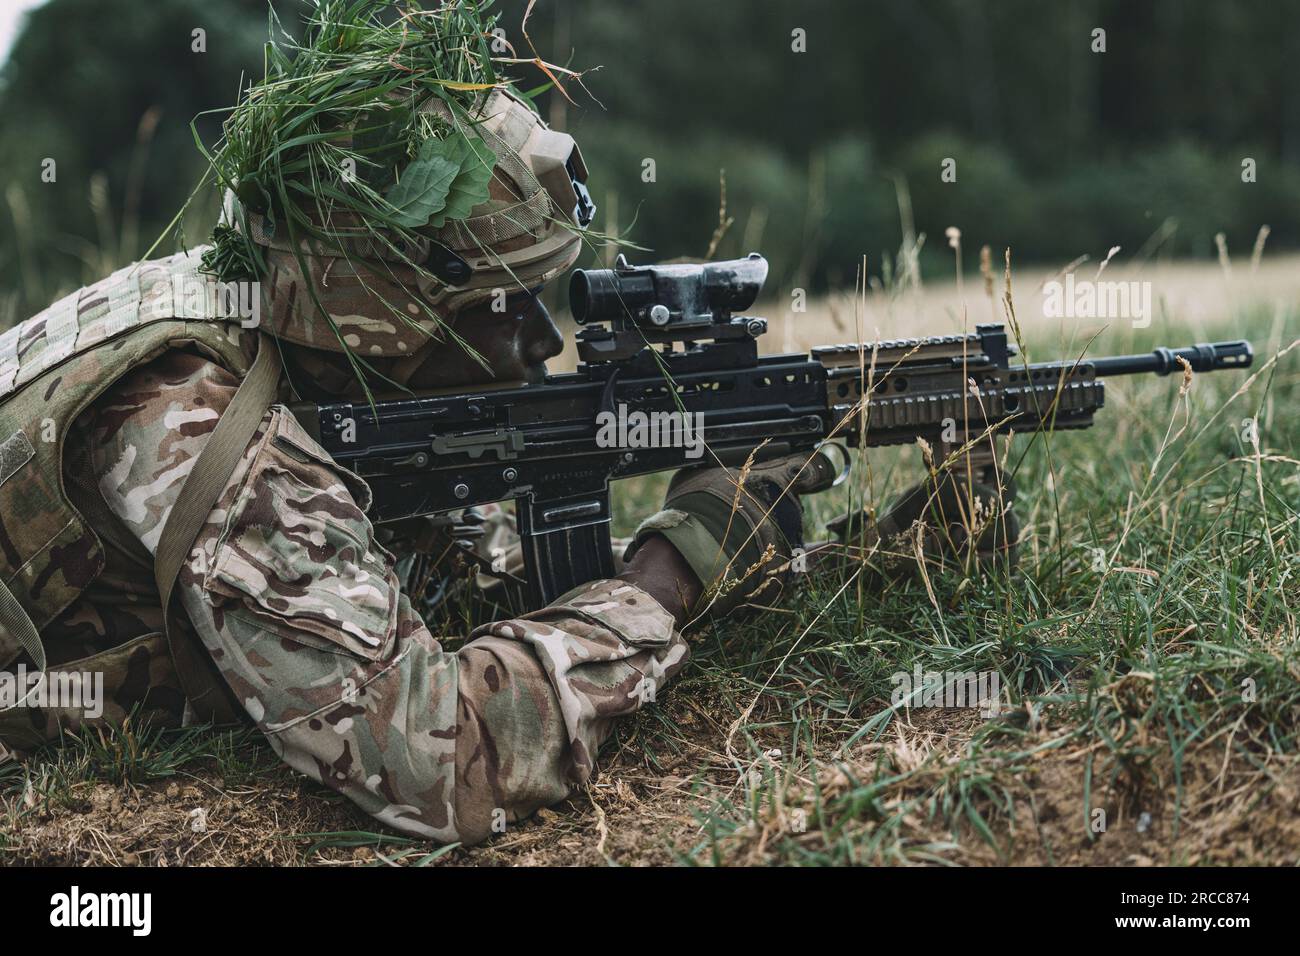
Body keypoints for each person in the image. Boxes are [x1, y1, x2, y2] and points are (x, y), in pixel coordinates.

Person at [0, 2, 857, 845]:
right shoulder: (197, 430)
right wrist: (673, 569)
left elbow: (446, 582)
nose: (547, 339)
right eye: (506, 305)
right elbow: (436, 763)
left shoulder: (301, 325)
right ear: (388, 315)